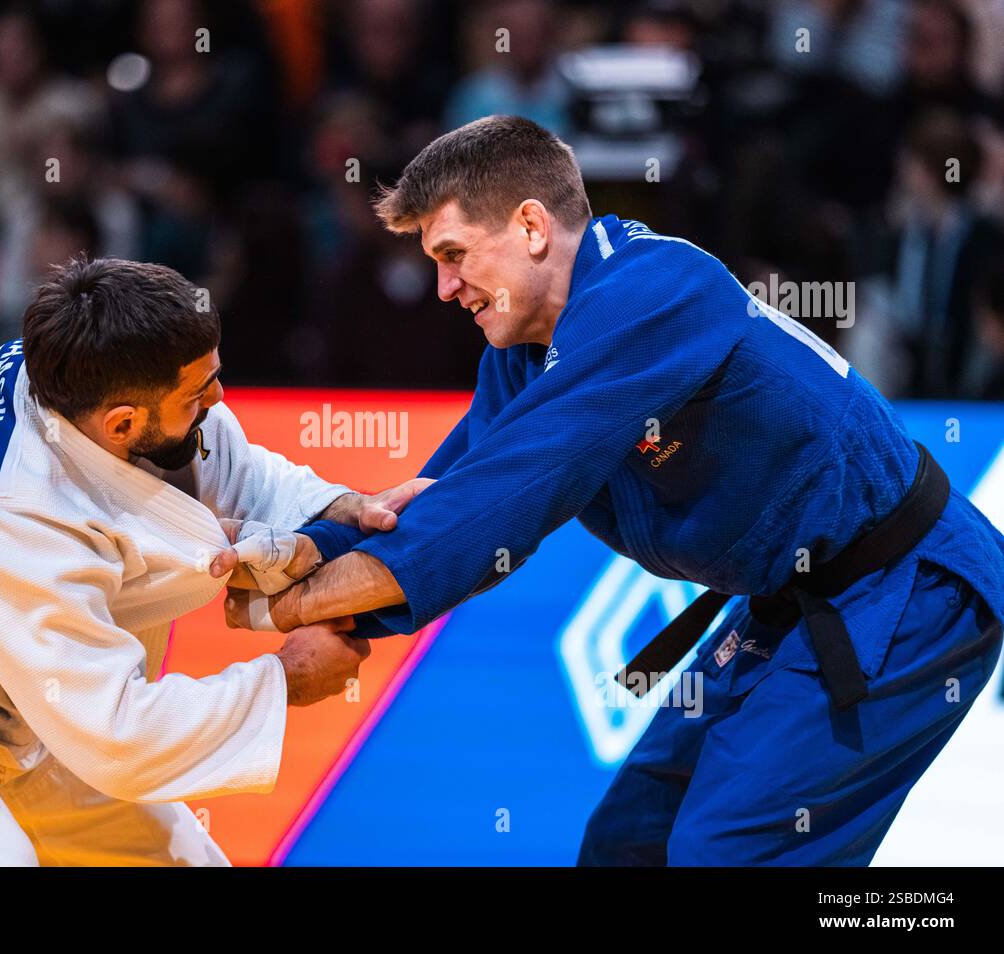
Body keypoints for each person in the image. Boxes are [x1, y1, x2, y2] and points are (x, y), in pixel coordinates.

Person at [225, 116, 1004, 866]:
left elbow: (505, 503)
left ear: (531, 227)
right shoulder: (525, 351)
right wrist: (301, 552)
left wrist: (289, 605)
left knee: (729, 852)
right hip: (793, 598)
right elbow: (446, 491)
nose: (443, 287)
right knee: (629, 841)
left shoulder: (655, 288)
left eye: (455, 253)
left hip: (906, 591)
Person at [0, 257, 422, 866]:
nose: (217, 400)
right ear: (121, 422)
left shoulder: (75, 368)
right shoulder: (2, 510)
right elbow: (117, 733)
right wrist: (283, 679)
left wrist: (341, 506)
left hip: (7, 698)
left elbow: (231, 466)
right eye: (198, 393)